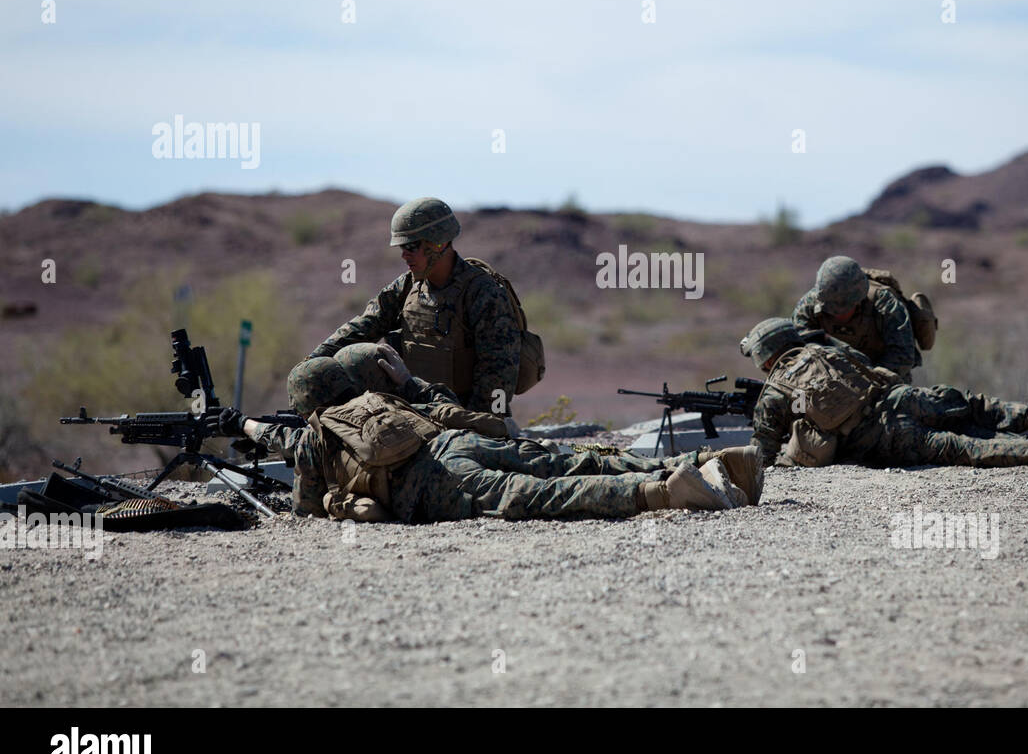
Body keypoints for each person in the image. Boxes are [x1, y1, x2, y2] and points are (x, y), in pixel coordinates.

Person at [214, 345, 763, 522]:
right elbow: (438, 408)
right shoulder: (378, 396)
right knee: (561, 462)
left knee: (546, 497)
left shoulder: (315, 434)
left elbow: (305, 508)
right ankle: (703, 467)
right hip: (457, 441)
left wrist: (245, 426)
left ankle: (665, 491)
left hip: (436, 478)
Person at [740, 318, 1028, 470]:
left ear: (765, 358)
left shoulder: (775, 390)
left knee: (972, 448)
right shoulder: (824, 349)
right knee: (974, 408)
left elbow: (759, 456)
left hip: (879, 437)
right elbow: (881, 374)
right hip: (900, 399)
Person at [305, 197, 522, 416]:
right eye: (402, 247)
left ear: (438, 243)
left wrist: (476, 424)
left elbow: (499, 372)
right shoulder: (407, 286)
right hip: (415, 409)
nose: (404, 255)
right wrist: (312, 364)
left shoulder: (483, 293)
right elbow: (363, 327)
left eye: (411, 246)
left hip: (463, 415)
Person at [791, 256, 923, 381]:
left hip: (882, 376)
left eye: (845, 307)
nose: (838, 315)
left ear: (860, 299)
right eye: (831, 309)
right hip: (829, 377)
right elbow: (796, 350)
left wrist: (870, 379)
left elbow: (903, 355)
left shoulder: (884, 304)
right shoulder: (809, 306)